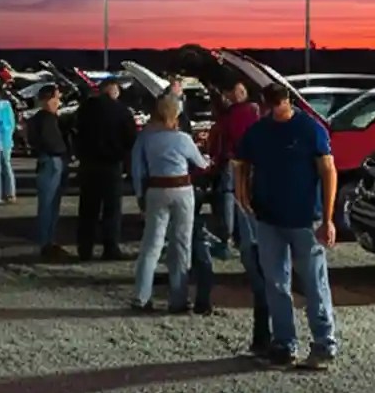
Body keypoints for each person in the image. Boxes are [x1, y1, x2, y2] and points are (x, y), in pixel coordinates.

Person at [235, 83, 339, 369]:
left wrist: (328, 219)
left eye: (279, 105)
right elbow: (241, 161)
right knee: (276, 283)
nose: (276, 111)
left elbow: (328, 170)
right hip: (269, 218)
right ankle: (283, 343)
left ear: (288, 102)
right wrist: (240, 190)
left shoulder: (310, 129)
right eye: (272, 107)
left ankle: (323, 343)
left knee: (314, 283)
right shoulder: (259, 131)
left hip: (305, 219)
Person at [129, 95, 210, 312]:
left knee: (151, 245)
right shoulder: (182, 138)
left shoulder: (146, 138)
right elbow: (201, 164)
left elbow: (137, 169)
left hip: (156, 190)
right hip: (182, 190)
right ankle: (178, 299)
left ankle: (141, 296)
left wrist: (139, 194)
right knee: (181, 245)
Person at [212, 75, 266, 351]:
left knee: (234, 201)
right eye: (238, 89)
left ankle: (233, 239)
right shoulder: (247, 113)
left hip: (236, 163)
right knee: (236, 202)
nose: (241, 93)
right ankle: (237, 239)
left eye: (243, 89)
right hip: (240, 163)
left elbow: (224, 138)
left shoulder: (238, 113)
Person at [74, 77, 136, 261]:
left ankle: (85, 249)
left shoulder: (85, 109)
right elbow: (130, 138)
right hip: (111, 165)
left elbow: (74, 131)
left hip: (88, 164)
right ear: (114, 92)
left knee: (87, 208)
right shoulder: (122, 111)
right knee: (111, 209)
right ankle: (110, 247)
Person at [28, 84, 71, 260]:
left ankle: (49, 241)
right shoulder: (46, 119)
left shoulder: (44, 119)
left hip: (51, 161)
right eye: (56, 98)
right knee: (48, 205)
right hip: (51, 161)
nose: (58, 102)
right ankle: (46, 242)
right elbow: (50, 142)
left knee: (52, 205)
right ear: (48, 99)